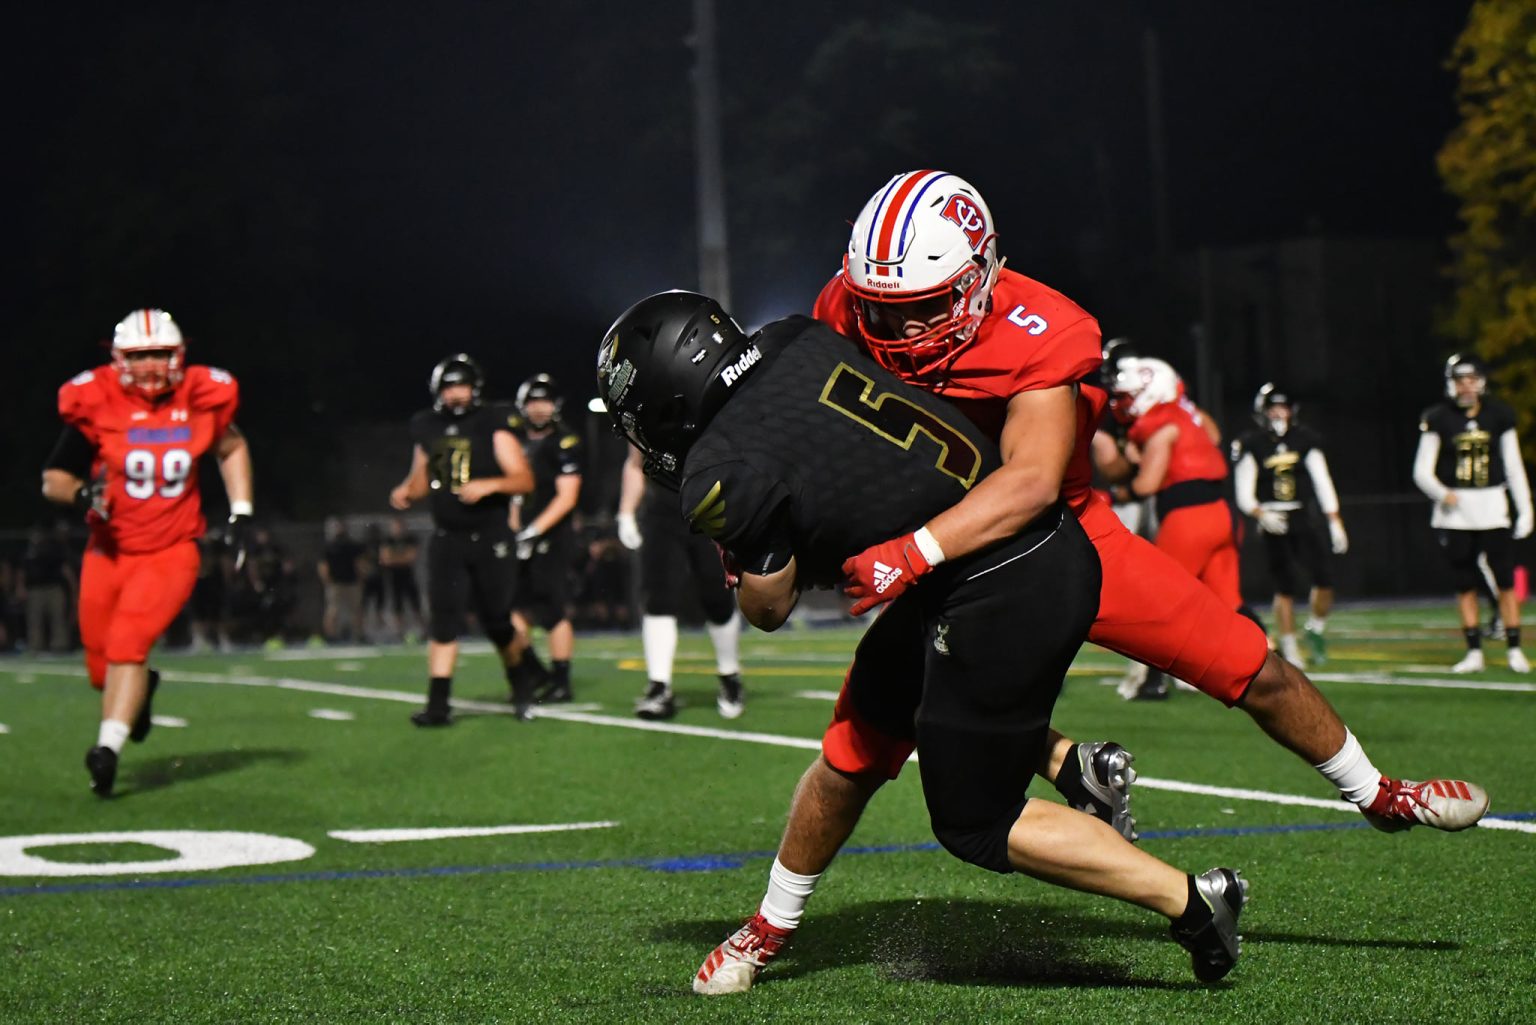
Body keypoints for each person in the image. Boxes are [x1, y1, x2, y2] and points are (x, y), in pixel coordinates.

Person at [692, 171, 1493, 994]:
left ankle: (1378, 792)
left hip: (1059, 537)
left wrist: (910, 551)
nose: (899, 327)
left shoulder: (1042, 327)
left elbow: (1033, 480)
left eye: (925, 304)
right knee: (857, 746)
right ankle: (771, 923)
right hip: (944, 553)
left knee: (1251, 666)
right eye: (884, 307)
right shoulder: (845, 306)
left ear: (981, 275)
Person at [601, 291, 1249, 988]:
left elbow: (769, 607)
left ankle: (1194, 901)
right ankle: (770, 924)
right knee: (854, 745)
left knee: (975, 819)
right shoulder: (793, 338)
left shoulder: (721, 468)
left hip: (1000, 579)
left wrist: (746, 550)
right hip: (981, 558)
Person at [40, 308, 253, 797]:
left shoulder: (201, 396)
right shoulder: (95, 401)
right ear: (119, 359)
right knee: (101, 665)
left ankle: (106, 750)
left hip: (172, 549)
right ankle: (140, 695)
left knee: (128, 644)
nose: (151, 364)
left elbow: (231, 447)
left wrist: (241, 510)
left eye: (159, 353)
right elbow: (54, 478)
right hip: (109, 551)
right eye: (140, 355)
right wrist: (80, 495)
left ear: (177, 355)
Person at [389, 353, 542, 723]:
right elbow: (422, 477)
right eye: (449, 386)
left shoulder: (493, 422)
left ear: (474, 388)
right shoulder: (427, 425)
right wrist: (406, 492)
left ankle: (521, 685)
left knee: (497, 619)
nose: (456, 394)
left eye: (461, 385)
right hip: (447, 537)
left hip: (489, 534)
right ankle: (438, 705)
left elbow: (524, 479)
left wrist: (489, 485)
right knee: (443, 620)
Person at [1413, 354, 1532, 673]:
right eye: (1460, 380)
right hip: (1456, 513)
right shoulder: (1438, 417)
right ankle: (1474, 651)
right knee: (1465, 584)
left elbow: (1513, 466)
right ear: (1451, 383)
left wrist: (1525, 508)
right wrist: (1443, 493)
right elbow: (1421, 471)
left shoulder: (1500, 416)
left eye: (1471, 379)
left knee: (1505, 582)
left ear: (1480, 382)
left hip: (1493, 506)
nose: (1466, 387)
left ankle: (1514, 648)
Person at [616, 442, 744, 720]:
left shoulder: (708, 400)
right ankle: (659, 685)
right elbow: (635, 462)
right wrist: (626, 512)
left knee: (716, 595)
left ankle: (729, 673)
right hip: (662, 511)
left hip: (711, 504)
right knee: (658, 598)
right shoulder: (643, 403)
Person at [1231, 383, 1349, 667]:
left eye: (1283, 407)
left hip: (1301, 515)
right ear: (1262, 411)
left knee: (1325, 579)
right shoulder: (1252, 443)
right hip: (1273, 517)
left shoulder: (1306, 439)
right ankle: (1290, 645)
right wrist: (1260, 514)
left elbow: (1322, 481)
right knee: (1285, 586)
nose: (1278, 413)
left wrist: (1334, 518)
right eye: (1273, 407)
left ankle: (1316, 628)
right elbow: (1243, 489)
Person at [507, 373, 584, 703]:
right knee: (512, 610)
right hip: (517, 536)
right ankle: (533, 675)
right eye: (534, 402)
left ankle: (561, 681)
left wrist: (533, 530)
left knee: (552, 611)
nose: (539, 408)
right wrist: (512, 530)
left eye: (545, 401)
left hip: (551, 537)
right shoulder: (511, 440)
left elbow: (567, 497)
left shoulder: (565, 442)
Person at [21, 522, 76, 654]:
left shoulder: (53, 548)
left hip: (54, 588)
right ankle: (35, 645)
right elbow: (22, 571)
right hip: (35, 589)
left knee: (58, 617)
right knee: (34, 618)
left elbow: (65, 569)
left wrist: (73, 587)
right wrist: (21, 587)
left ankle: (60, 645)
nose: (36, 537)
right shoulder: (27, 551)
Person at [317, 516, 366, 644]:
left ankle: (359, 635)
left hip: (351, 581)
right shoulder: (329, 546)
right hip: (335, 583)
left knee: (356, 610)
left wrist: (360, 579)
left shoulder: (352, 545)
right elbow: (323, 566)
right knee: (333, 610)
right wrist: (327, 581)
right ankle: (330, 636)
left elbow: (359, 564)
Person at [378, 517, 423, 642]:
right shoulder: (388, 540)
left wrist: (395, 559)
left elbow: (411, 557)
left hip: (408, 576)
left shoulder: (410, 539)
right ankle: (399, 633)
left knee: (415, 604)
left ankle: (423, 631)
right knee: (397, 605)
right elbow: (385, 559)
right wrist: (400, 559)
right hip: (393, 578)